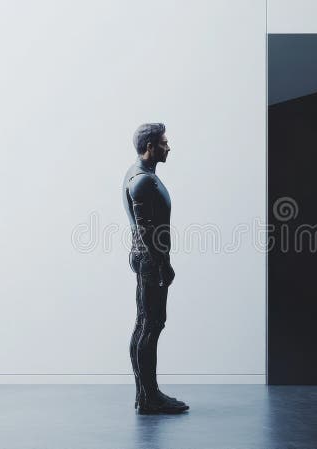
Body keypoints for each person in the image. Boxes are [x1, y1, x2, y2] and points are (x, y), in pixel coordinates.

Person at [122, 123, 189, 414]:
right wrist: (164, 266)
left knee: (144, 325)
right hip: (151, 261)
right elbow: (147, 231)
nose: (168, 147)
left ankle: (145, 394)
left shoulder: (139, 174)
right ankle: (149, 397)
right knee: (151, 325)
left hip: (145, 258)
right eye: (163, 142)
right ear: (150, 147)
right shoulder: (143, 181)